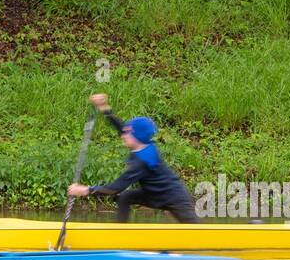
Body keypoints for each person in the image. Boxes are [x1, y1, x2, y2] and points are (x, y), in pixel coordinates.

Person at [67, 93, 199, 223]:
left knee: (196, 232)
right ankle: (121, 234)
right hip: (152, 194)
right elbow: (121, 127)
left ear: (137, 137)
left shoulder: (142, 161)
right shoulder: (139, 143)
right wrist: (104, 108)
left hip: (175, 197)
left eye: (128, 133)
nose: (124, 134)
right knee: (126, 197)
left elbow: (115, 188)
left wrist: (86, 190)